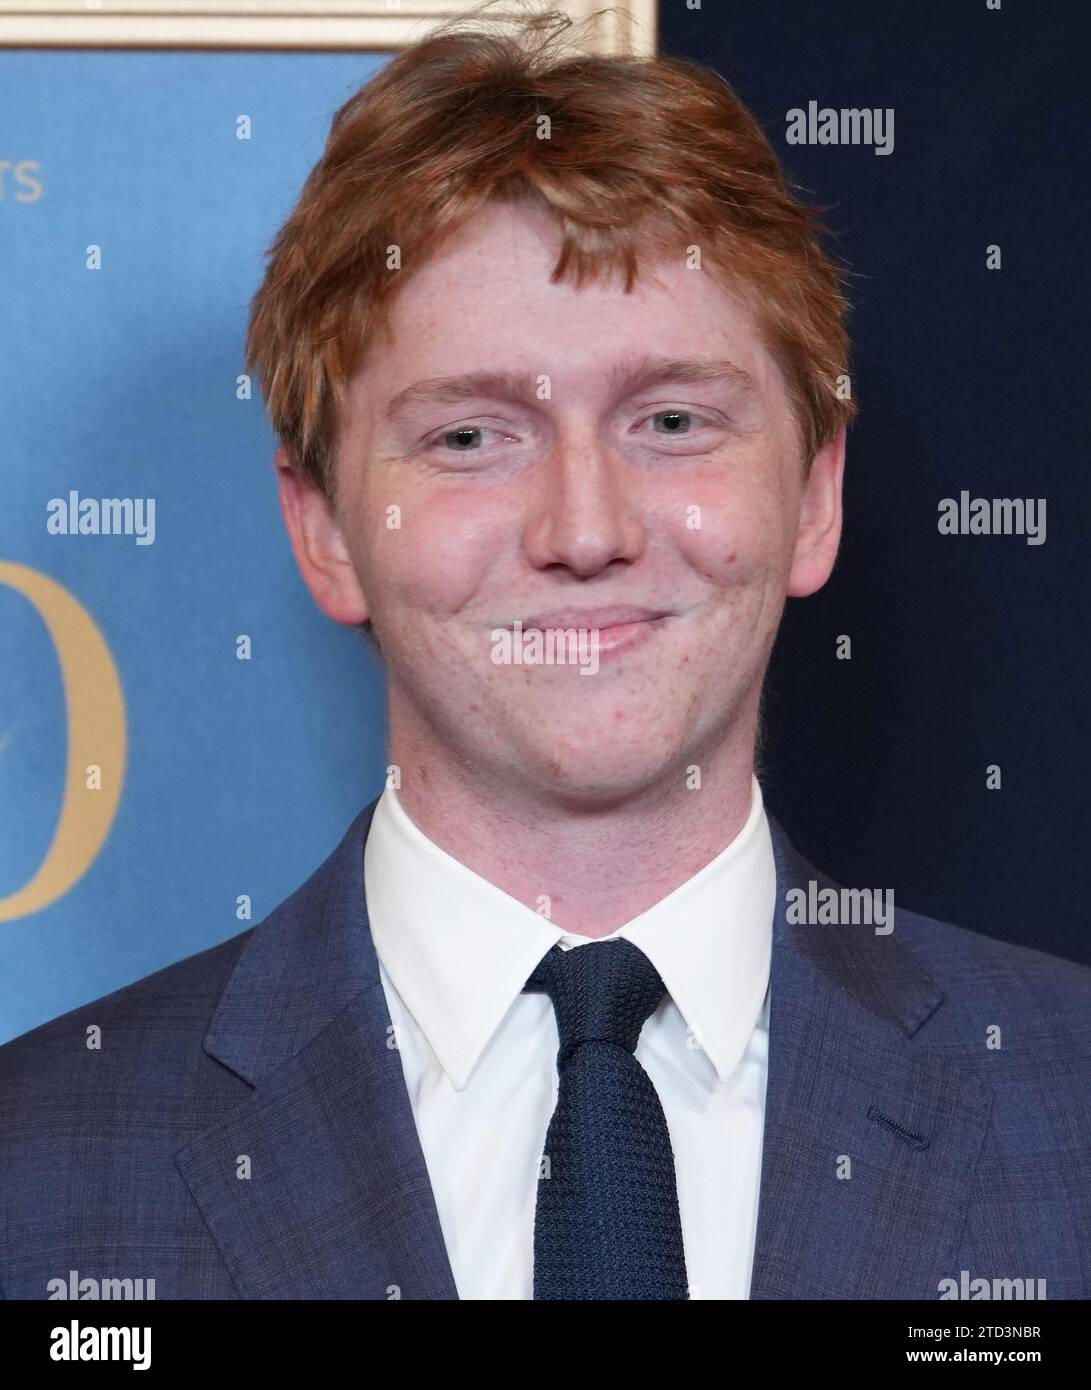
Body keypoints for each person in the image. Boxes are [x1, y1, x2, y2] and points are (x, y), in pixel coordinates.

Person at [1, 8, 1088, 1302]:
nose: (587, 529)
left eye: (672, 418)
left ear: (814, 494)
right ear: (322, 527)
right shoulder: (39, 1172)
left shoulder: (1064, 1102)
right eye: (471, 436)